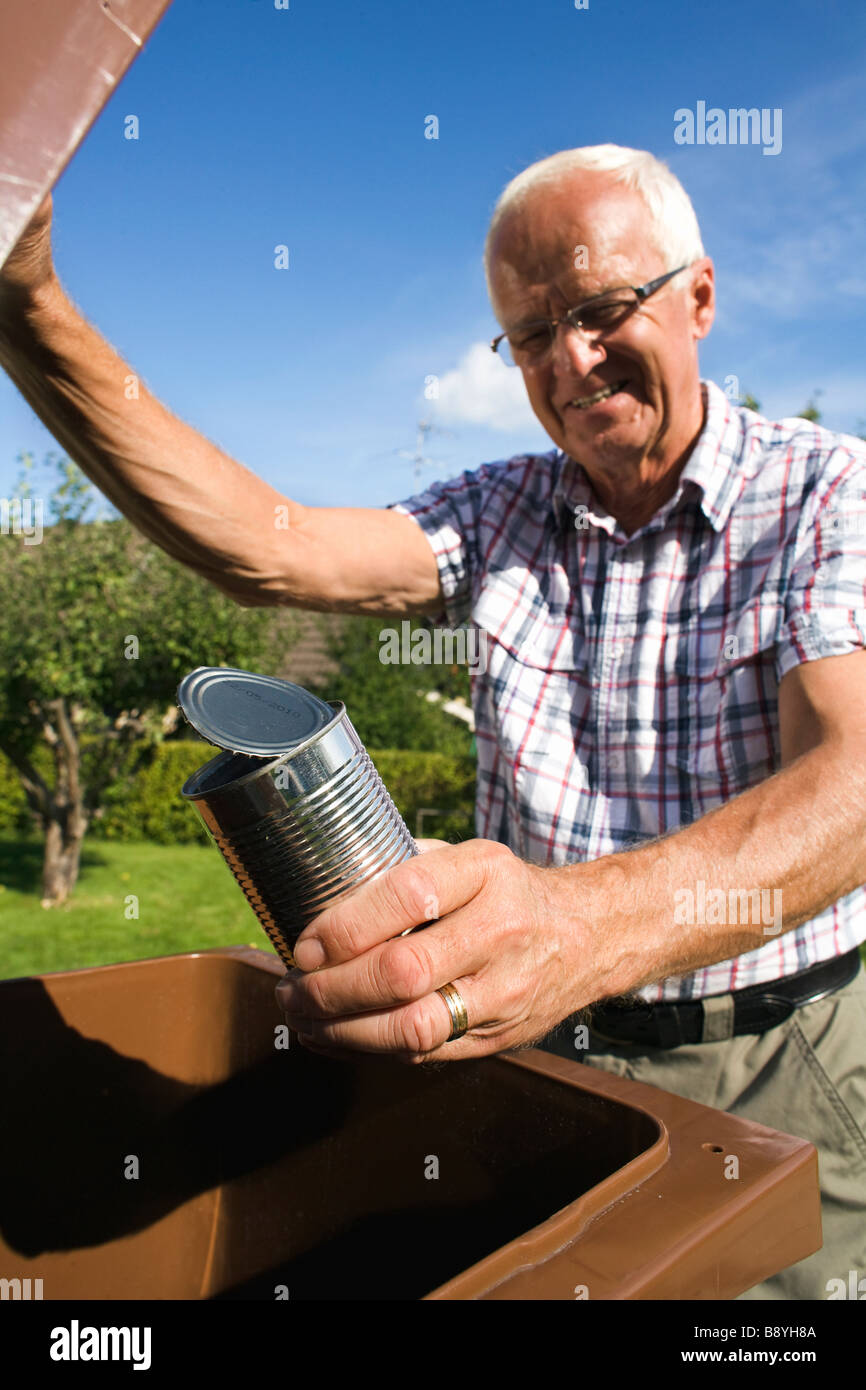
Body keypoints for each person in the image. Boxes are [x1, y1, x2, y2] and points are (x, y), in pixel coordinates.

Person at [1, 144, 864, 1301]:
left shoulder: (823, 492)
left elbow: (850, 780)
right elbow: (273, 544)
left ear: (697, 297)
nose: (568, 358)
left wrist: (582, 925)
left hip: (777, 1057)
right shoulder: (499, 506)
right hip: (540, 1052)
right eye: (527, 333)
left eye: (603, 309)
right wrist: (28, 304)